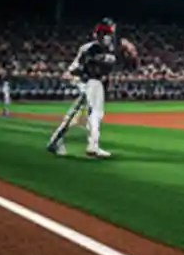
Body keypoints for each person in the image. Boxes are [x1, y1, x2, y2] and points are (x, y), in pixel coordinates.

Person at [45, 18, 135, 159]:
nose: (110, 35)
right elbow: (74, 69)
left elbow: (124, 63)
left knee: (74, 114)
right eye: (108, 32)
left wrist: (129, 52)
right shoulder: (91, 48)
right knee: (96, 114)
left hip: (92, 82)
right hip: (89, 82)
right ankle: (93, 146)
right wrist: (78, 80)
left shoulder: (109, 49)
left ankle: (55, 141)